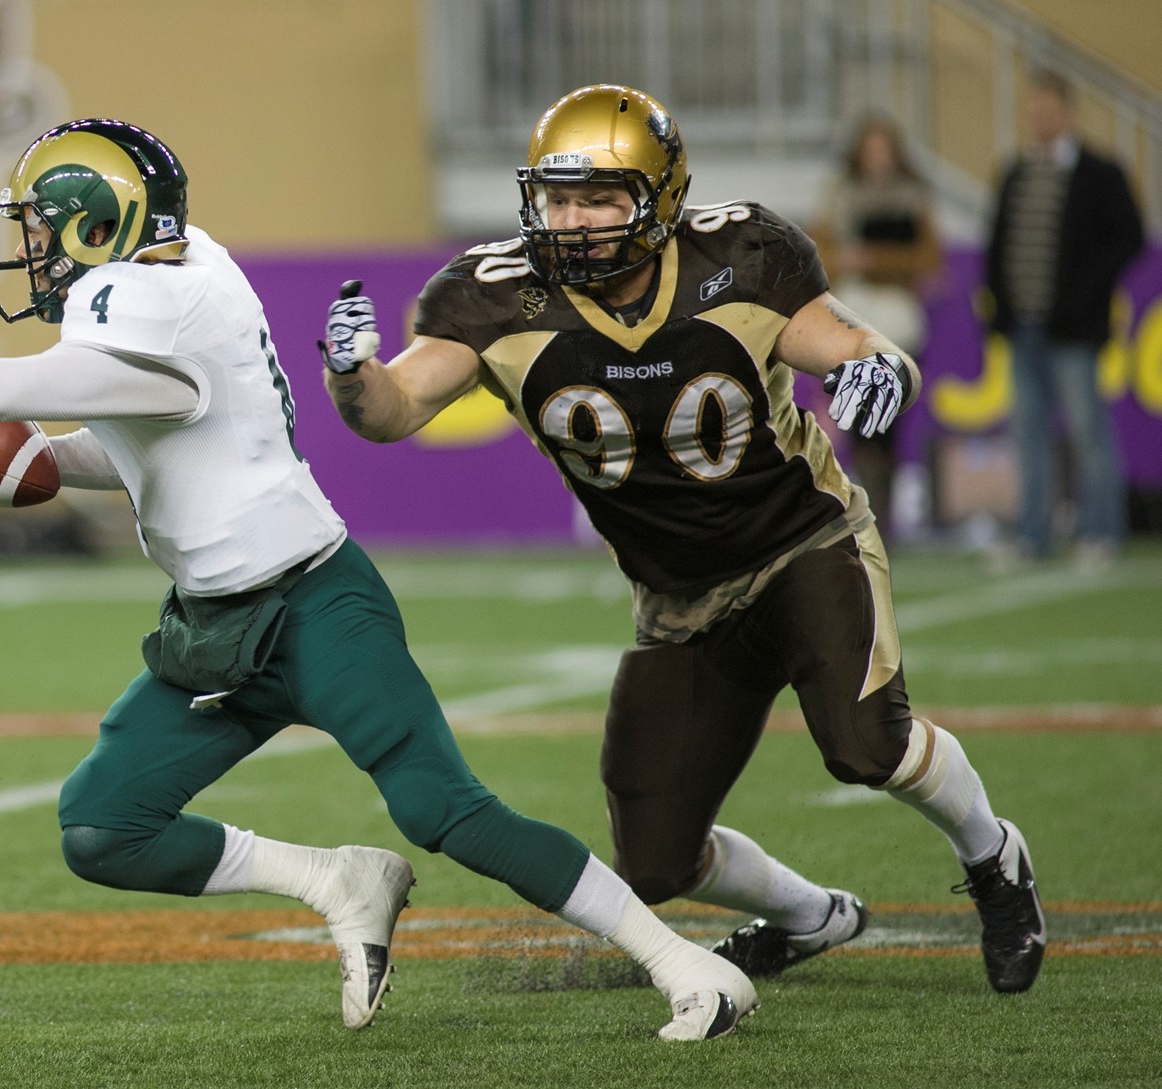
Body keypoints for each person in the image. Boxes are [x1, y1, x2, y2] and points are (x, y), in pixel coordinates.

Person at [0, 117, 759, 1041]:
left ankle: (683, 964)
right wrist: (39, 462)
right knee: (102, 826)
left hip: (313, 604)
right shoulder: (178, 270)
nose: (25, 249)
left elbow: (14, 383)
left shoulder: (148, 297)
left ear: (94, 224)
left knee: (448, 811)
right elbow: (144, 440)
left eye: (38, 225)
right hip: (215, 623)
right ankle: (334, 880)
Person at [320, 84, 1045, 994]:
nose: (573, 222)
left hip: (800, 542)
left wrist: (879, 369)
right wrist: (353, 376)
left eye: (599, 199)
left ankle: (995, 857)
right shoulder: (494, 296)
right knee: (657, 861)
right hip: (678, 597)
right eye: (557, 198)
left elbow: (849, 340)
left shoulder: (740, 253)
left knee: (868, 746)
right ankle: (809, 916)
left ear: (659, 199)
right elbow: (394, 409)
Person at [985, 68, 1144, 569]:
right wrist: (1000, 306)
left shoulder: (1100, 173)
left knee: (1085, 429)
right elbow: (998, 243)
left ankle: (1100, 531)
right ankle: (1033, 536)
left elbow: (1129, 236)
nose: (1040, 119)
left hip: (1073, 329)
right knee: (1028, 434)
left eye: (1049, 110)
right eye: (1033, 111)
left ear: (1068, 113)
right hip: (1024, 325)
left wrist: (1085, 293)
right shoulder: (1017, 171)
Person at [811, 114, 942, 538]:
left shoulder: (912, 198)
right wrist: (848, 261)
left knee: (890, 418)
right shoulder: (841, 196)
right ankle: (865, 515)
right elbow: (818, 254)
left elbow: (928, 259)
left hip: (898, 317)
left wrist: (875, 258)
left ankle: (881, 515)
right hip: (854, 313)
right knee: (860, 418)